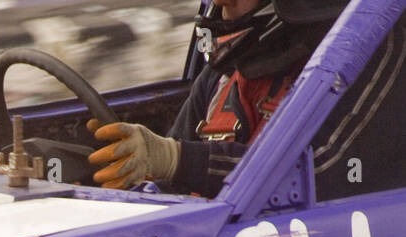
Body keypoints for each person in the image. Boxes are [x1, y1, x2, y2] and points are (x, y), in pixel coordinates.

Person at [87, 1, 350, 196]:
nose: (221, 2)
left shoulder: (344, 69)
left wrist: (175, 158)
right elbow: (168, 181)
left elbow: (316, 177)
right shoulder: (217, 78)